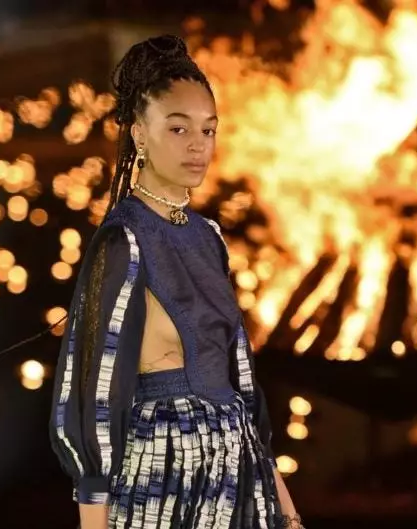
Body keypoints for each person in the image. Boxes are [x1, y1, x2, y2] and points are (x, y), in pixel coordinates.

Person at [49, 34, 304, 529]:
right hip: (162, 479)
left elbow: (241, 391)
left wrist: (288, 513)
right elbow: (97, 397)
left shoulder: (209, 236)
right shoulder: (123, 241)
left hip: (237, 479)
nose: (197, 146)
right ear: (140, 134)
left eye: (208, 131)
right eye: (178, 128)